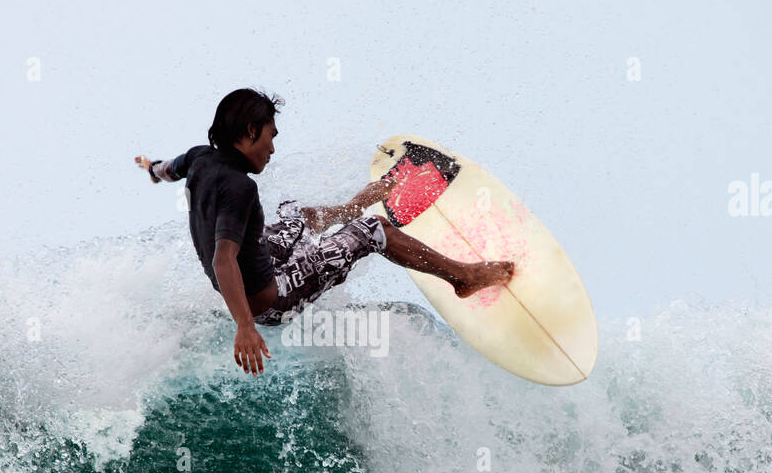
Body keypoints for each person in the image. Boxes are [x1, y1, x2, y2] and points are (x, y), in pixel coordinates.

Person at [135, 88, 513, 375]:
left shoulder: (200, 156)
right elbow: (223, 259)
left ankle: (355, 204)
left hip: (262, 262)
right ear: (251, 131)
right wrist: (246, 327)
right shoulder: (239, 188)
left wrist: (152, 169)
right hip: (271, 298)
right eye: (271, 135)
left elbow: (170, 168)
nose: (272, 148)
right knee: (374, 230)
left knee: (294, 213)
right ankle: (464, 277)